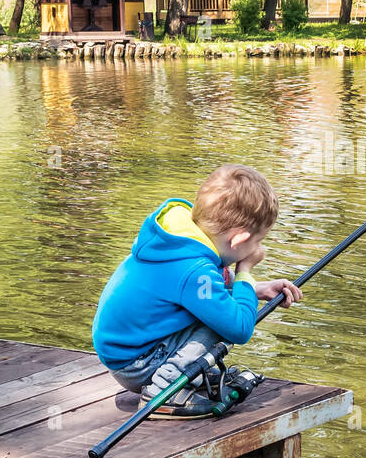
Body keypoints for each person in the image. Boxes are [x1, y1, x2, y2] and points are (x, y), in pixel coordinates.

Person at [92, 164, 301, 417]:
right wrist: (245, 270)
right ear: (239, 239)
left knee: (218, 308)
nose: (258, 250)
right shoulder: (194, 269)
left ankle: (187, 374)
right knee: (223, 321)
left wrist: (256, 289)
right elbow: (240, 328)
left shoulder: (181, 242)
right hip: (138, 365)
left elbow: (205, 285)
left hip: (128, 353)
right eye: (257, 242)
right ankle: (165, 388)